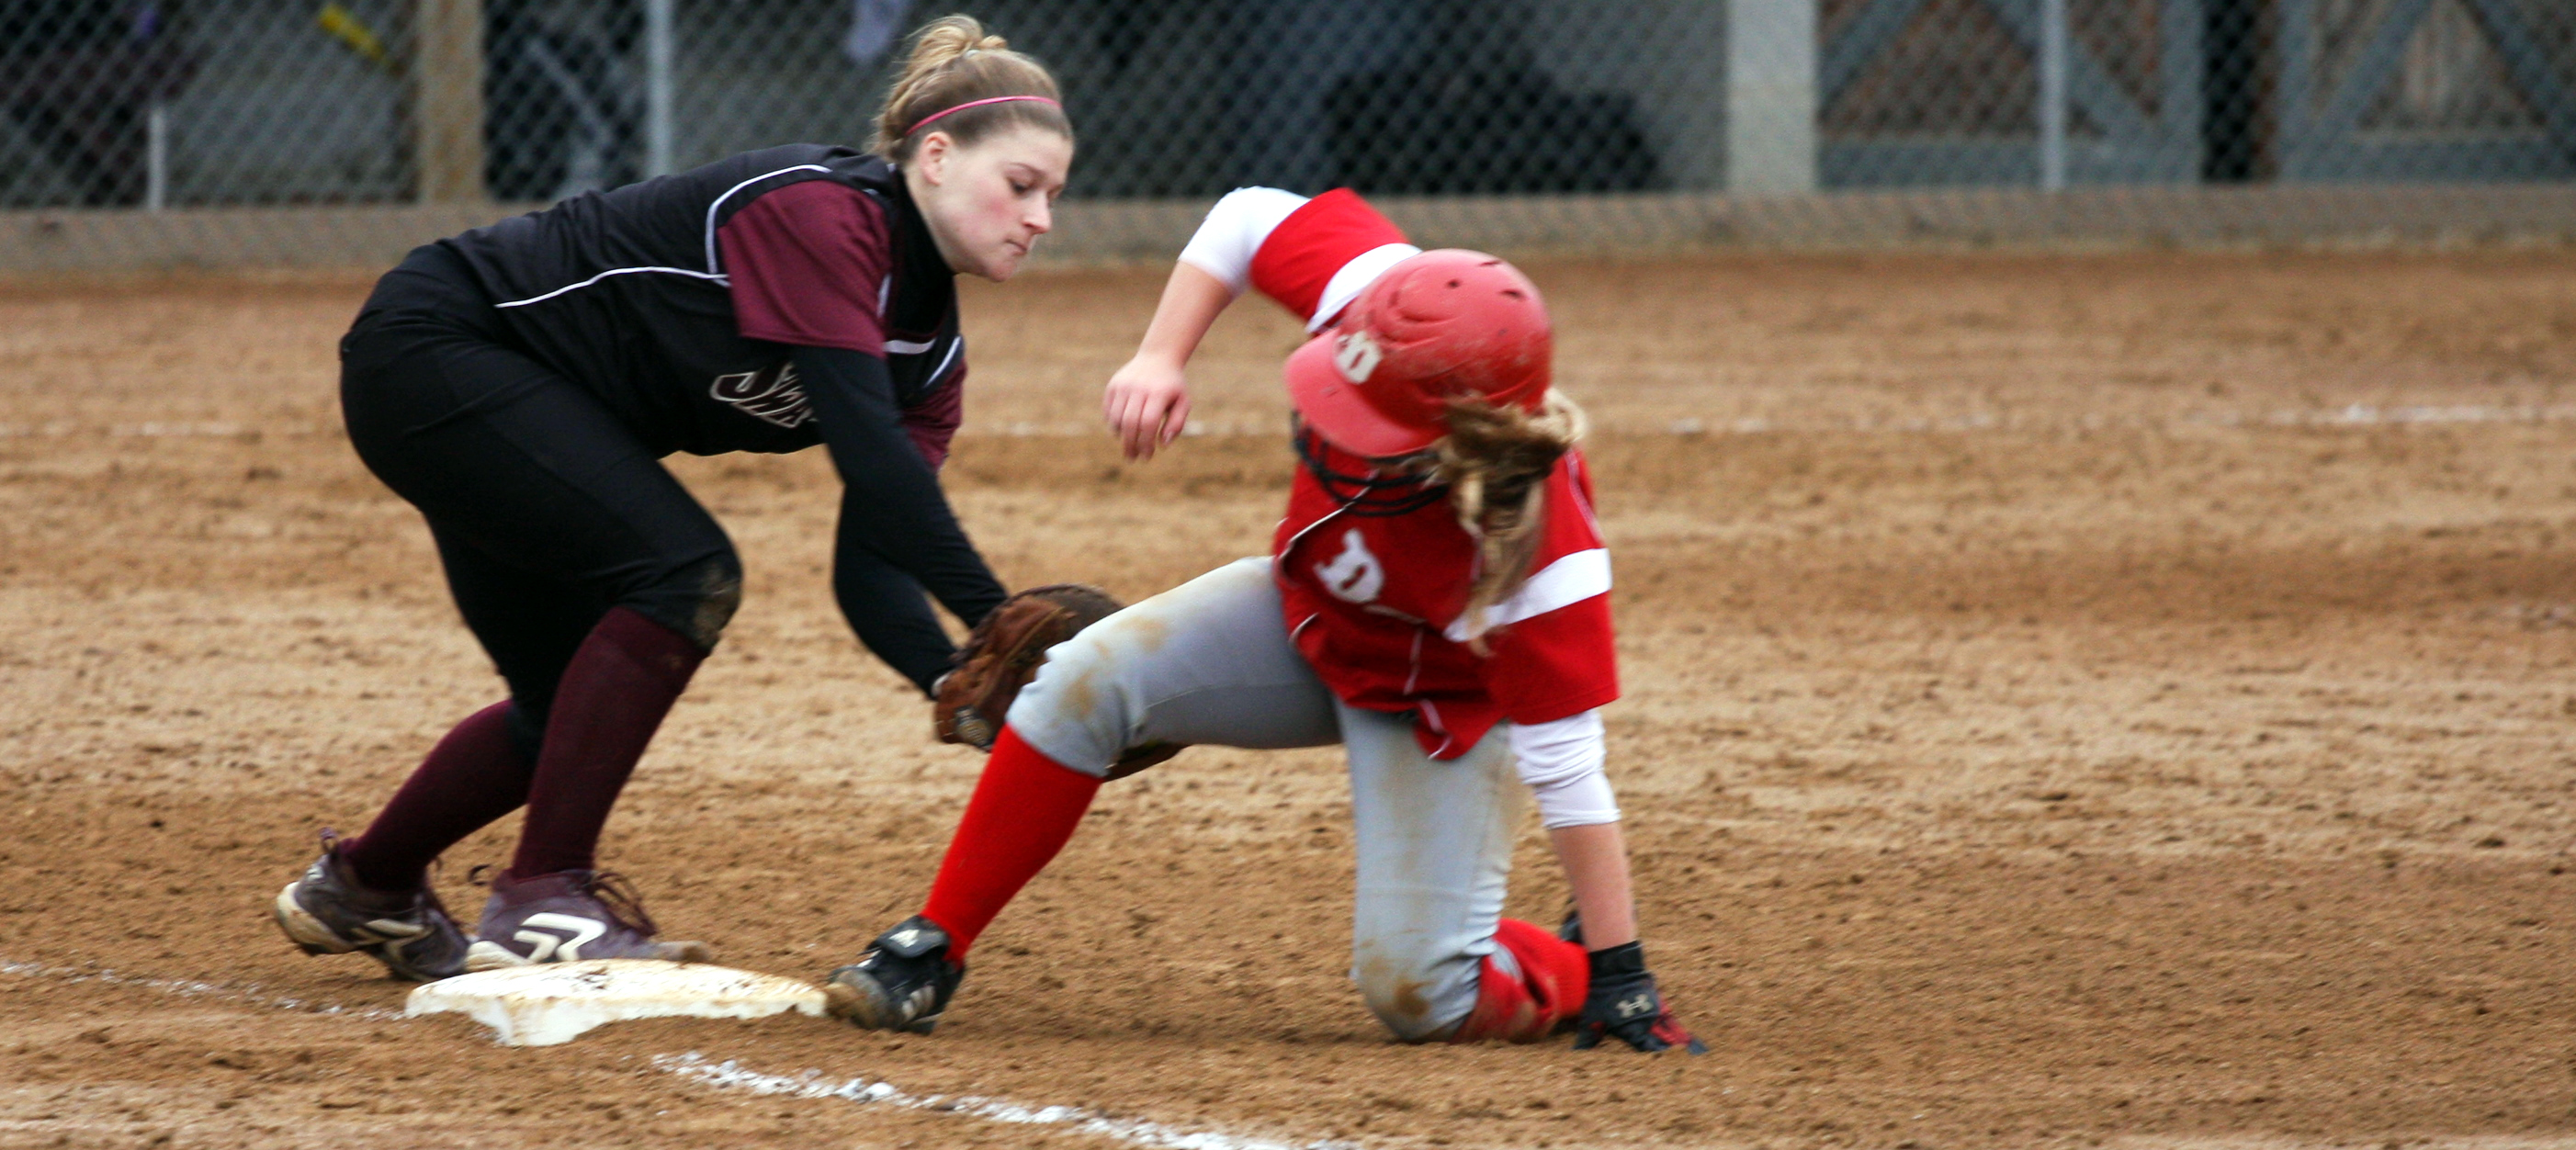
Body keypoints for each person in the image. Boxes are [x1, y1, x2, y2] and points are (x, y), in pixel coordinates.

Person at [269, 16, 1071, 982]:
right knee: (686, 572)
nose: (1040, 218)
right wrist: (995, 621)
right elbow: (872, 461)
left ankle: (369, 884)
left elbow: (872, 565)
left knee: (566, 706)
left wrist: (953, 682)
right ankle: (544, 891)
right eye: (1020, 185)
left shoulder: (930, 363)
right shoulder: (822, 213)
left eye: (1053, 196)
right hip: (440, 349)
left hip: (512, 406)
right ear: (934, 158)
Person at [822, 186, 1707, 1052]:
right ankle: (934, 945)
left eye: (1381, 423)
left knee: (1423, 994)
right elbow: (1247, 217)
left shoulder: (1539, 548)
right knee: (1083, 676)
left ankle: (1570, 964)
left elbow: (1568, 767)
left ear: (1463, 445)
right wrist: (1161, 356)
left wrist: (1620, 968)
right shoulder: (1386, 305)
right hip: (1306, 619)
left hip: (1441, 709)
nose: (1345, 423)